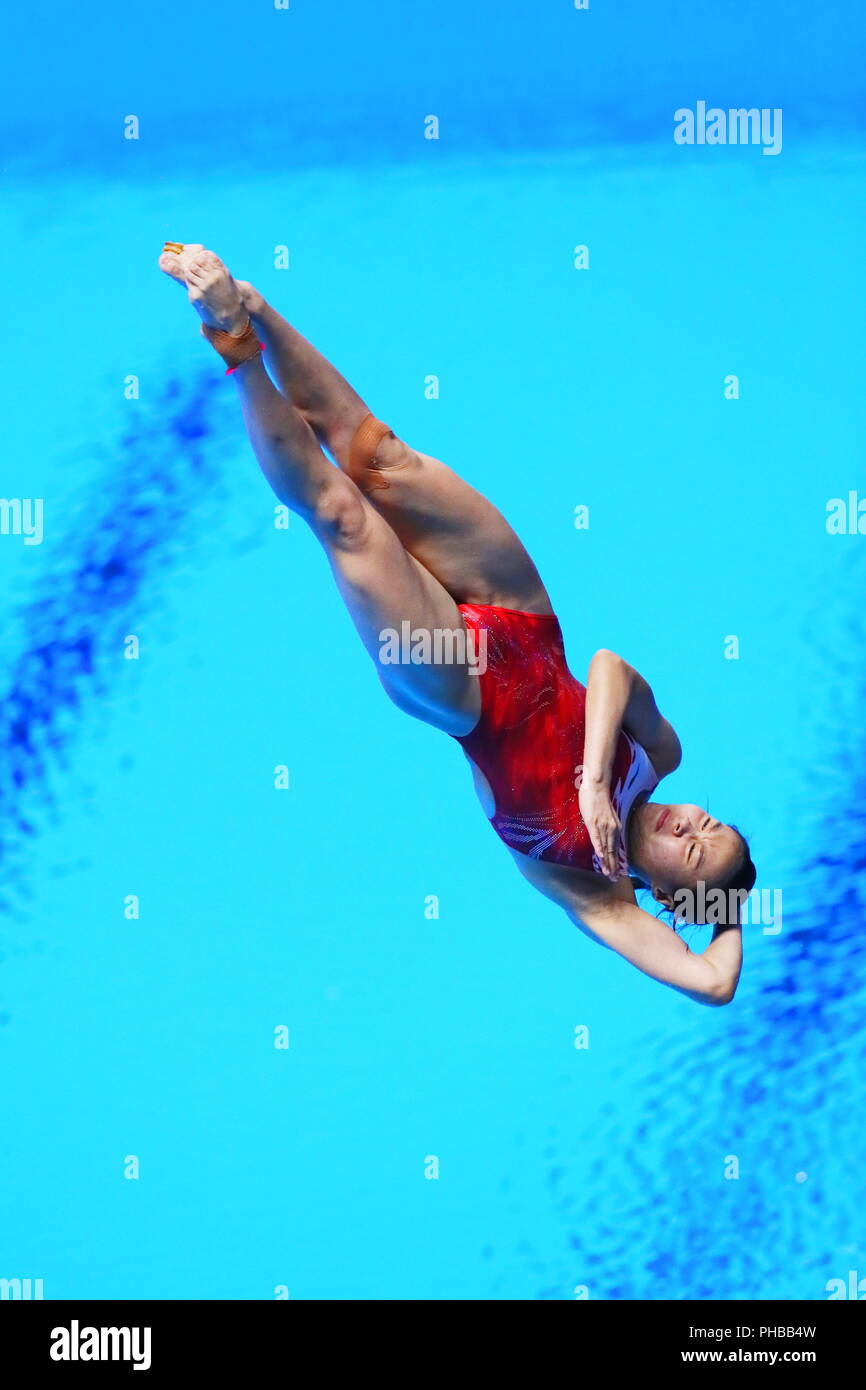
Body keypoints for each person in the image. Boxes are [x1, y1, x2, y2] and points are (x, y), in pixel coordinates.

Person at [159, 242, 756, 1006]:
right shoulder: (659, 756)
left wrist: (730, 907)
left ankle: (232, 338)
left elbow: (713, 984)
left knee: (342, 514)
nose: (694, 827)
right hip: (523, 618)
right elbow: (610, 666)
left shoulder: (596, 894)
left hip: (461, 690)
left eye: (698, 854)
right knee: (378, 455)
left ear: (678, 896)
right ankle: (259, 309)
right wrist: (600, 781)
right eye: (712, 822)